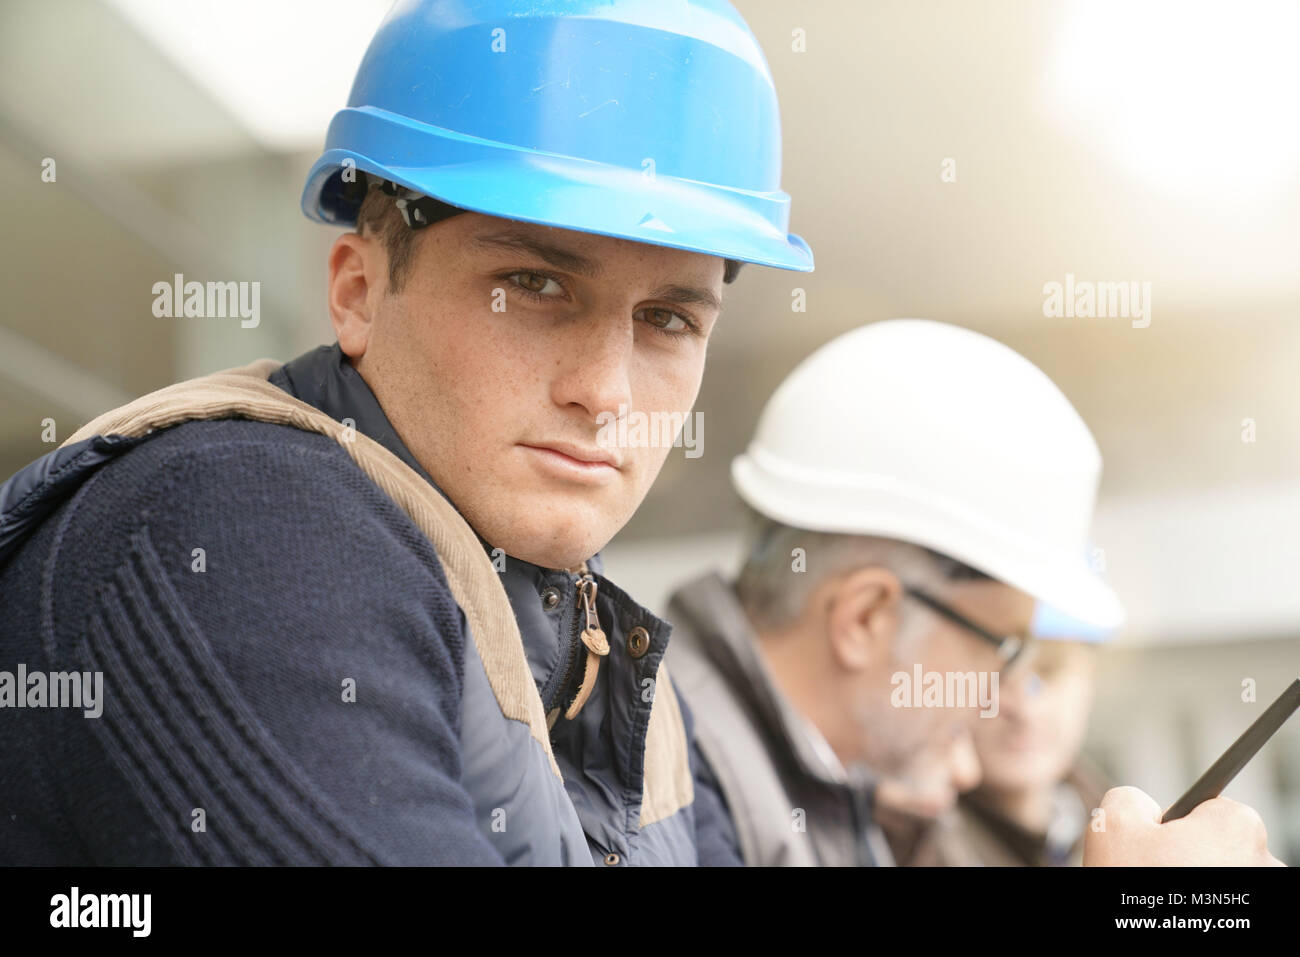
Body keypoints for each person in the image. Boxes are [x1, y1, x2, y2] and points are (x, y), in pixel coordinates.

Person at [0, 0, 813, 866]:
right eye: (534, 284)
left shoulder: (622, 683)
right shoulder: (242, 523)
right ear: (358, 290)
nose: (605, 392)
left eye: (668, 319)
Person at [665, 318, 1284, 867]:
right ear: (866, 618)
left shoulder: (801, 787)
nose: (998, 697)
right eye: (1005, 647)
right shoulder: (664, 783)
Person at [874, 604, 1111, 866]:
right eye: (997, 676)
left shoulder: (1118, 822)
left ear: (1090, 683)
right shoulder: (902, 845)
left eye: (1049, 671)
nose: (1025, 709)